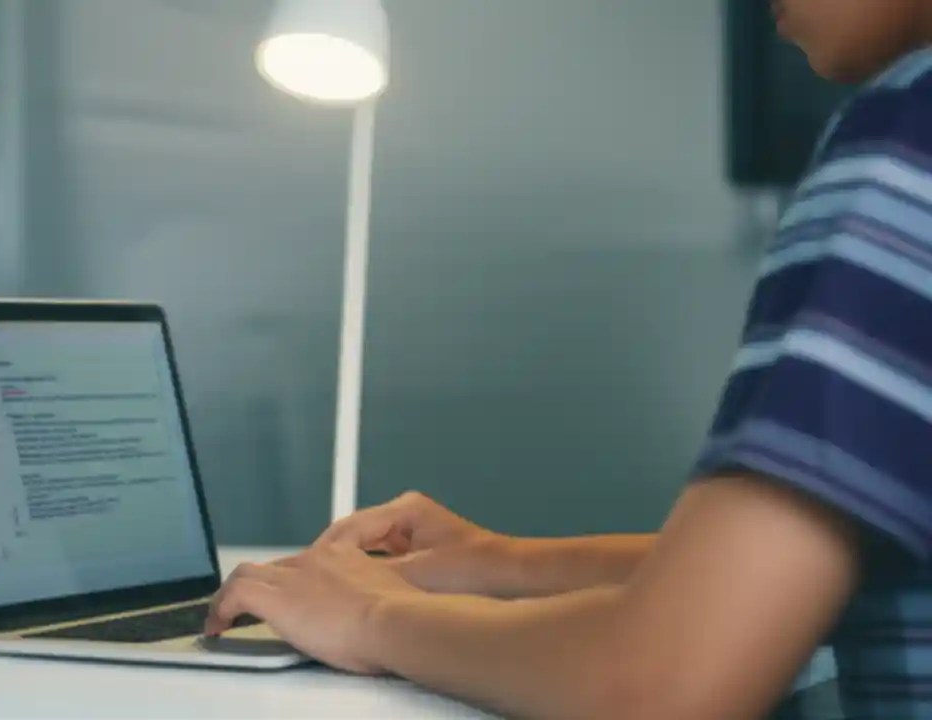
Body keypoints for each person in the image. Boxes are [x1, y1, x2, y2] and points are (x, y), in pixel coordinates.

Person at [204, 1, 932, 717]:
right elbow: (779, 579)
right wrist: (498, 562)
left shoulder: (908, 133)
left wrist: (368, 619)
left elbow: (660, 684)